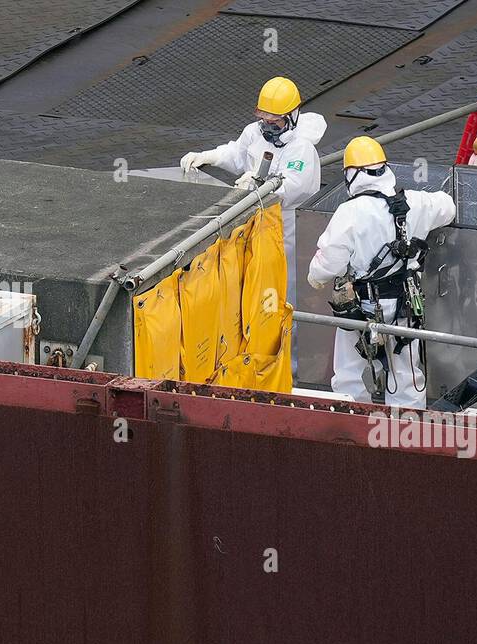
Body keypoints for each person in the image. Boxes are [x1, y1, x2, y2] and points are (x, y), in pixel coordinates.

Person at [306, 136, 455, 408]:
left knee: (350, 371)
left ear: (351, 174)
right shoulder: (414, 201)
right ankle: (405, 430)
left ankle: (352, 422)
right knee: (406, 374)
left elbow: (328, 265)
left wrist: (315, 278)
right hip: (405, 305)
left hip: (362, 306)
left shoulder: (349, 212)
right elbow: (448, 207)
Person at [179, 76, 325, 315]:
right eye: (263, 120)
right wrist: (209, 156)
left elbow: (292, 186)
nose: (267, 128)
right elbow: (237, 153)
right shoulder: (254, 133)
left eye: (274, 122)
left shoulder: (301, 149)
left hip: (287, 230)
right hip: (255, 224)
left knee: (285, 294)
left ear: (292, 116)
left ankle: (291, 350)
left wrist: (260, 184)